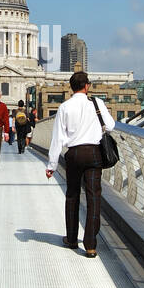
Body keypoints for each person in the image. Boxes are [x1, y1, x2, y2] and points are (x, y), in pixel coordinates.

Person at [45, 71, 116, 258]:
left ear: (71, 87)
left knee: (72, 195)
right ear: (87, 86)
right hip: (94, 153)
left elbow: (57, 138)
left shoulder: (64, 107)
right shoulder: (97, 103)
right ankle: (91, 245)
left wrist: (51, 166)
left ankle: (71, 238)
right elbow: (110, 126)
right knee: (94, 198)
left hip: (74, 154)